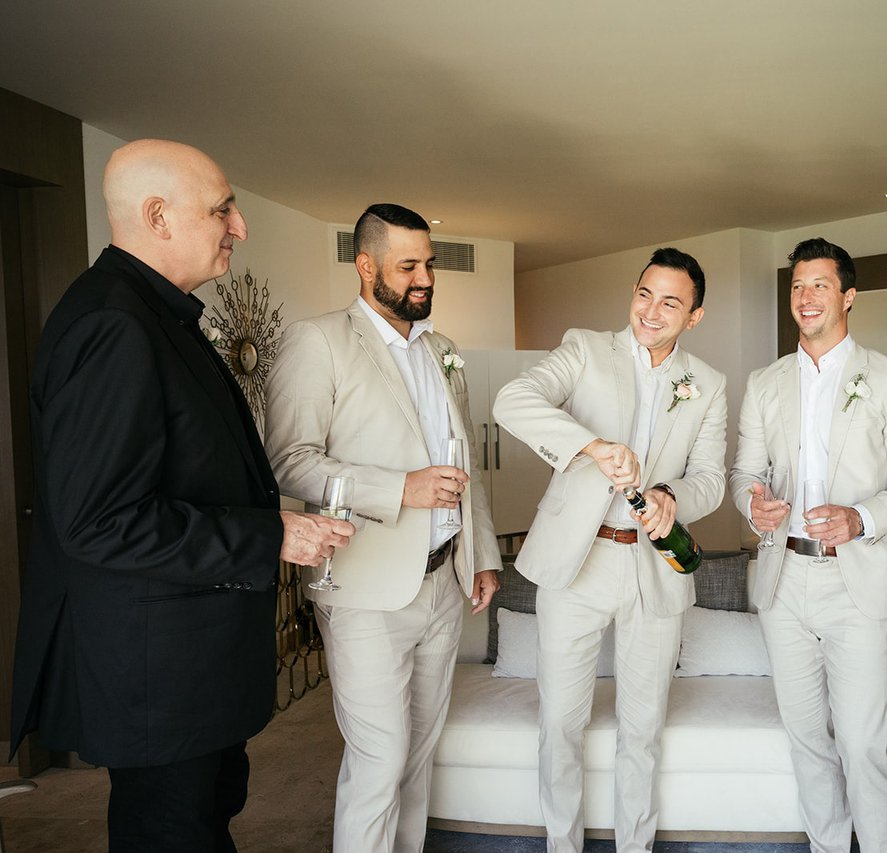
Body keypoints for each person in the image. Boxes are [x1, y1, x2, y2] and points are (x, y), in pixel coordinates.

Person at [8, 139, 353, 852]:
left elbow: (179, 474)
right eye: (223, 208)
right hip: (156, 678)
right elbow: (101, 521)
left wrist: (274, 512)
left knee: (203, 818)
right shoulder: (113, 325)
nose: (240, 226)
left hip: (187, 669)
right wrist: (272, 538)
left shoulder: (160, 314)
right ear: (158, 215)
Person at [265, 202, 502, 853]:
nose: (425, 276)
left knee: (418, 757)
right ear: (366, 265)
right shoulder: (318, 340)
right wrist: (400, 489)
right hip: (366, 587)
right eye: (409, 265)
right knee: (379, 758)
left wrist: (481, 554)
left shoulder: (444, 351)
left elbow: (466, 464)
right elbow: (288, 460)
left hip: (444, 582)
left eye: (429, 262)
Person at [493, 247, 726, 853]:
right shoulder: (586, 349)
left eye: (670, 302)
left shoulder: (709, 385)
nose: (651, 310)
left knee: (642, 729)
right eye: (644, 293)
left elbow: (711, 478)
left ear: (694, 317)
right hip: (577, 565)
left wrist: (675, 495)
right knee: (560, 725)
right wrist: (591, 446)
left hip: (654, 569)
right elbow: (512, 400)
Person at [729, 237, 887, 853]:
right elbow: (743, 474)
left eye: (819, 284)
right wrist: (752, 503)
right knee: (805, 736)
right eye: (797, 286)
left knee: (865, 742)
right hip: (783, 578)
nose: (805, 297)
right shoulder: (764, 383)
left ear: (848, 296)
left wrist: (861, 518)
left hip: (859, 581)